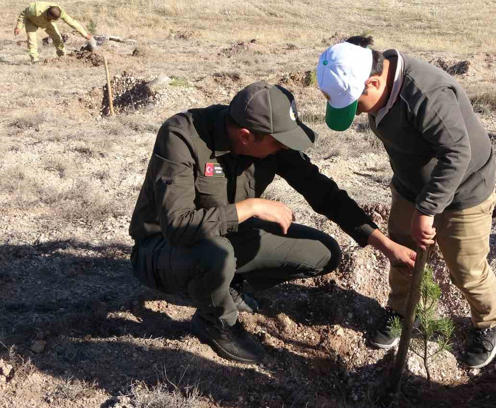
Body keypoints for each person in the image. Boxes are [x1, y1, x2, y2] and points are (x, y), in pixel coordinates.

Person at [129, 82, 416, 364]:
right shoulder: (182, 136)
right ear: (245, 136)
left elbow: (323, 192)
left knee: (323, 253)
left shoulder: (270, 140)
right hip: (162, 249)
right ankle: (215, 322)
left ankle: (227, 285)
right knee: (216, 254)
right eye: (278, 142)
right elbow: (178, 226)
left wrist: (381, 242)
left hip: (227, 237)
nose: (283, 147)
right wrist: (252, 206)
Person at [316, 36, 496, 369]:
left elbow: (457, 153)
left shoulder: (427, 96)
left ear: (373, 81)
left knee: (466, 269)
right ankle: (401, 311)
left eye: (355, 104)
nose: (356, 113)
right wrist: (418, 202)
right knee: (402, 253)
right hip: (410, 187)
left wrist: (427, 209)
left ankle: (490, 322)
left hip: (465, 191)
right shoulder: (372, 81)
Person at [13, 2, 94, 63]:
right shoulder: (34, 9)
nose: (55, 21)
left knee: (57, 38)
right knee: (32, 40)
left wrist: (85, 34)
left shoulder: (60, 12)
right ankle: (35, 60)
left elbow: (72, 22)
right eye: (53, 19)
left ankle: (62, 57)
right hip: (31, 21)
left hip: (47, 22)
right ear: (48, 13)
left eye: (56, 19)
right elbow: (23, 14)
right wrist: (18, 27)